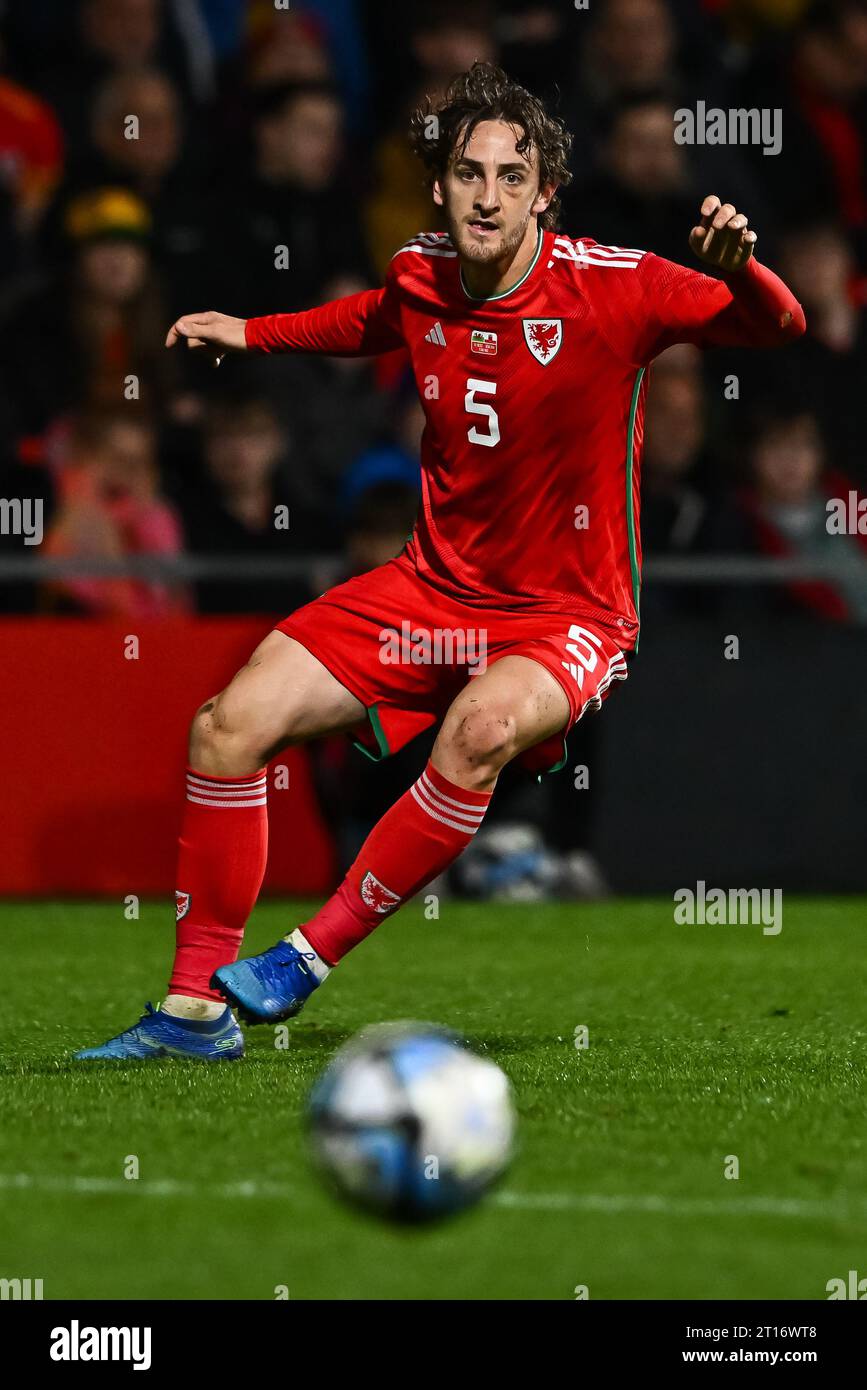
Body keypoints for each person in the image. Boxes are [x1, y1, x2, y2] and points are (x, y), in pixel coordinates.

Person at [75, 61, 805, 1061]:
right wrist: (252, 332)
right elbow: (375, 318)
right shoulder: (423, 274)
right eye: (470, 173)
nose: (488, 195)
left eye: (512, 177)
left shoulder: (615, 286)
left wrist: (741, 267)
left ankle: (306, 956)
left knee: (480, 730)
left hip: (568, 615)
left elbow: (781, 327)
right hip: (430, 589)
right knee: (227, 725)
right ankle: (193, 1015)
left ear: (545, 192)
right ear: (440, 184)